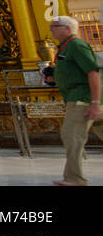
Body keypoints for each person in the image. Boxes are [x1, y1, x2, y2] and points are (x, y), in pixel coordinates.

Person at [45, 15, 101, 186]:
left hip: (82, 100)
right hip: (79, 98)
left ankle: (75, 179)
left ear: (67, 29)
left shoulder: (76, 46)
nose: (51, 29)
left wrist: (95, 103)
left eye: (55, 26)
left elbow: (93, 73)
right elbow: (73, 73)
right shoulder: (65, 48)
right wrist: (53, 78)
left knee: (72, 137)